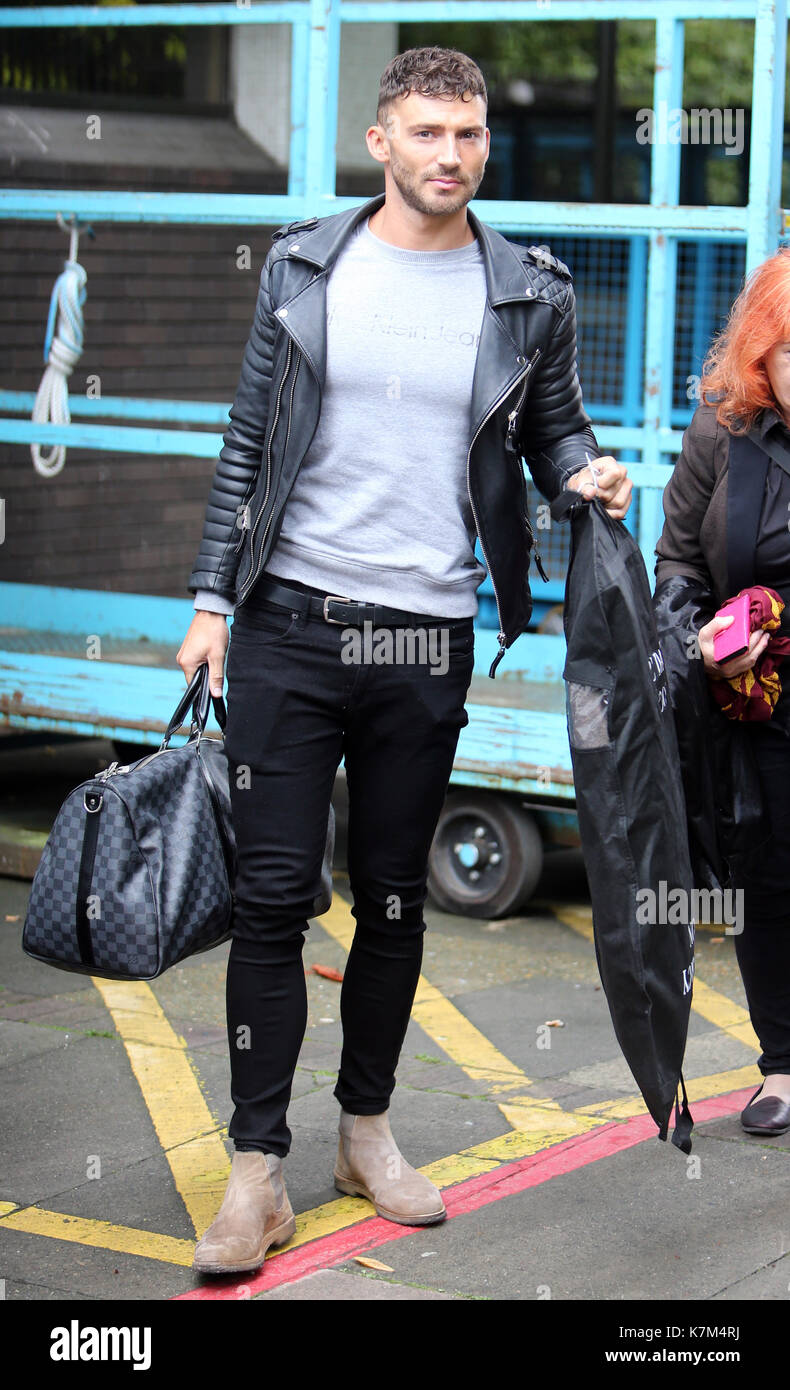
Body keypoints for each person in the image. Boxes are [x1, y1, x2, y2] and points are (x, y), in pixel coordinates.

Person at [178, 45, 631, 1275]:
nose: (450, 156)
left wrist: (584, 471)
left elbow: (554, 429)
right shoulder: (305, 261)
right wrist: (213, 597)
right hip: (284, 623)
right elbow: (243, 441)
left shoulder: (527, 290)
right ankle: (257, 1168)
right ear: (381, 141)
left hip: (423, 634)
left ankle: (363, 1132)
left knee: (391, 895)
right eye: (427, 133)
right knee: (272, 898)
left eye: (468, 136)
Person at [654, 246, 790, 1139]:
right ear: (762, 355)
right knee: (767, 878)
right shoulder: (724, 430)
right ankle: (783, 1063)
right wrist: (696, 636)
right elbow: (674, 563)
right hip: (761, 709)